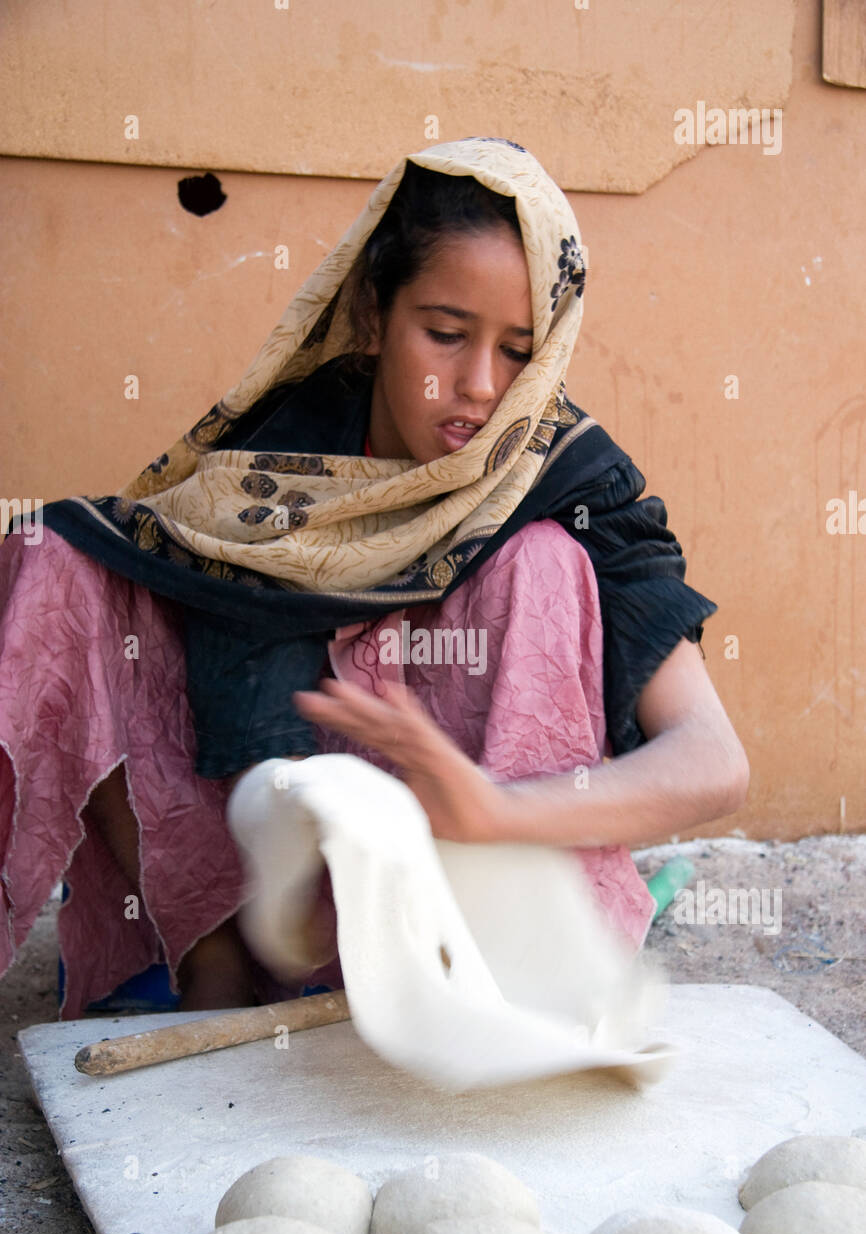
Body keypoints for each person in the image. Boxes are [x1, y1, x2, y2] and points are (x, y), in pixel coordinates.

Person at [0, 136, 748, 1017]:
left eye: (518, 351)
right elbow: (204, 655)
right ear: (372, 313)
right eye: (444, 333)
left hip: (458, 881)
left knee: (539, 561)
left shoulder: (574, 482)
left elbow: (714, 765)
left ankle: (478, 979)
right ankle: (210, 967)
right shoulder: (290, 447)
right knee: (58, 555)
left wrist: (487, 812)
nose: (477, 387)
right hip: (272, 887)